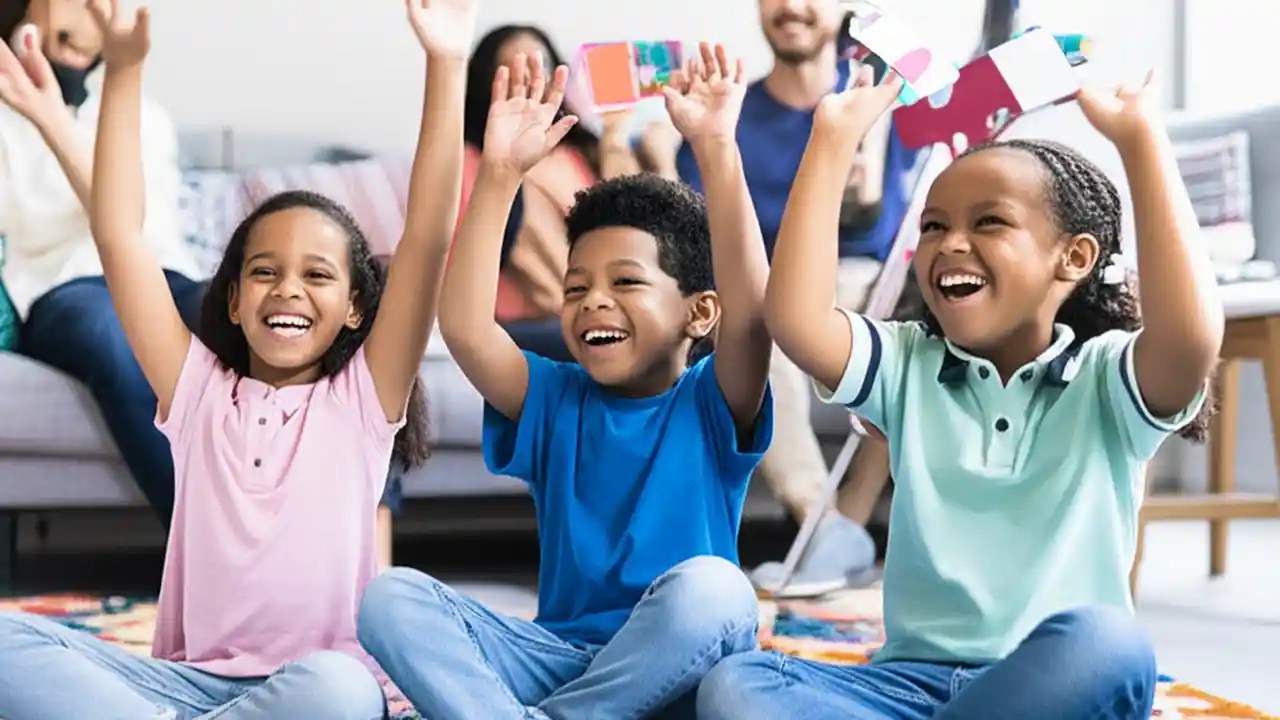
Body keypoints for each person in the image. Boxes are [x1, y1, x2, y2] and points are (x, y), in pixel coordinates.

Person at [697, 61, 1222, 720]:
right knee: (740, 682)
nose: (951, 244)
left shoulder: (1106, 380)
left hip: (1044, 687)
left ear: (1075, 258)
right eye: (934, 226)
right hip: (903, 687)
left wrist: (1142, 141)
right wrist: (832, 138)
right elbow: (797, 322)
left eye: (989, 222)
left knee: (1111, 645)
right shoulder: (907, 365)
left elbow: (1190, 339)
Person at [0, 0, 470, 716]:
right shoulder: (195, 392)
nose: (287, 288)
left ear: (355, 307)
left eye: (317, 275)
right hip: (185, 686)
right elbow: (119, 232)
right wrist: (124, 72)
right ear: (230, 299)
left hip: (314, 684)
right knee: (9, 643)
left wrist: (447, 62)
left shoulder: (364, 401)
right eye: (264, 272)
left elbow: (429, 237)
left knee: (340, 690)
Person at [358, 44, 771, 719]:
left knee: (718, 591)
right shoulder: (554, 398)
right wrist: (499, 174)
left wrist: (718, 150)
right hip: (560, 661)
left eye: (626, 282)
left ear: (699, 313)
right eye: (576, 288)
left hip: (682, 667)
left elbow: (752, 322)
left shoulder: (711, 400)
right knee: (390, 598)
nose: (593, 302)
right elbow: (466, 327)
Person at [674, 0, 917, 591]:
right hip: (767, 284)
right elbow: (703, 236)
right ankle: (821, 523)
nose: (792, 7)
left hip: (869, 279)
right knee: (761, 318)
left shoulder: (886, 100)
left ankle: (848, 520)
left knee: (916, 328)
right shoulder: (728, 112)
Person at [0, 0, 202, 523]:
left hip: (162, 274)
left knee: (233, 312)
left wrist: (61, 117)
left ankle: (341, 529)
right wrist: (46, 114)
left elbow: (131, 225)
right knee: (110, 337)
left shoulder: (140, 112)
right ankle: (204, 535)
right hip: (61, 288)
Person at [463, 24, 650, 363]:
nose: (531, 79)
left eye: (541, 65)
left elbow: (639, 224)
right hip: (534, 326)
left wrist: (615, 136)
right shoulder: (473, 163)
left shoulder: (579, 151)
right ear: (486, 82)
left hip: (602, 311)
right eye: (513, 69)